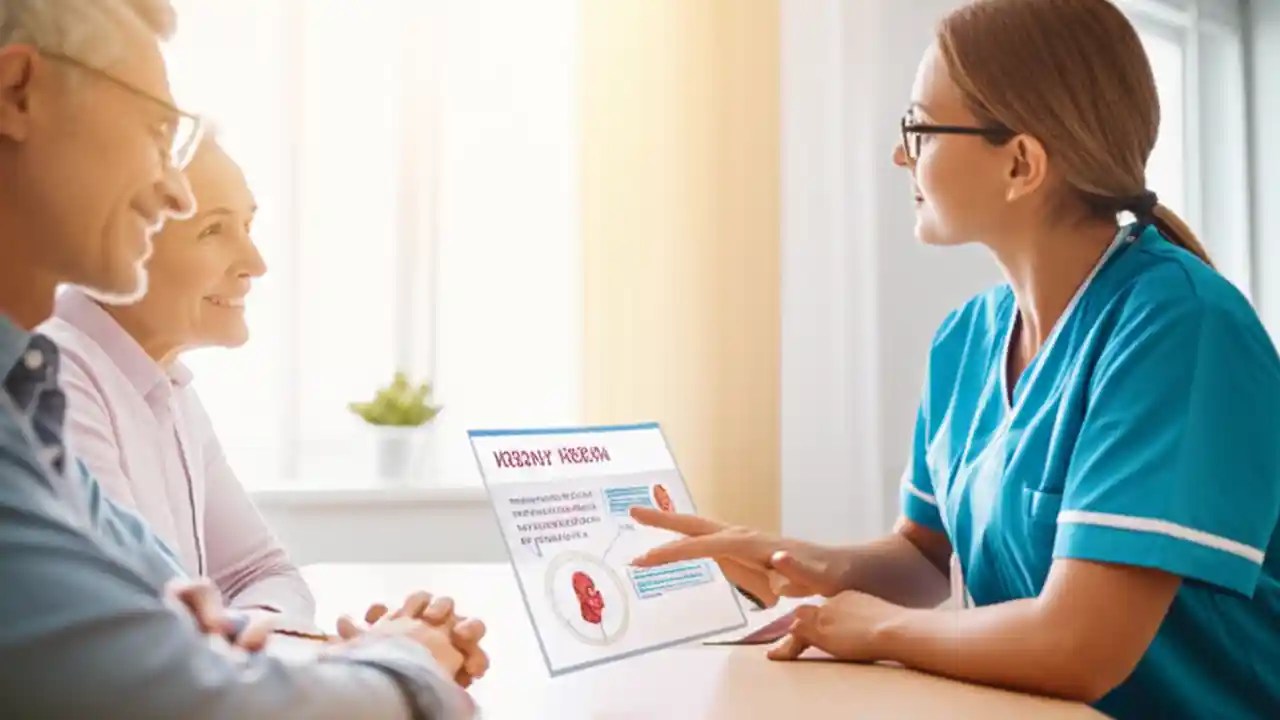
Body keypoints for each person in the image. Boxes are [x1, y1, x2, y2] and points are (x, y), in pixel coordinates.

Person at [629, 1, 1280, 718]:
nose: (901, 154)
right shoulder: (965, 339)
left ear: (1021, 163)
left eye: (919, 128)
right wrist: (803, 563)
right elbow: (924, 557)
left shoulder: (1182, 327)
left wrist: (879, 629)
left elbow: (1082, 646)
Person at [0, 1, 484, 717]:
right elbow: (185, 696)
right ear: (18, 94)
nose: (168, 189)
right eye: (154, 131)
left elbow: (184, 627)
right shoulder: (51, 387)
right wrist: (406, 661)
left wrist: (214, 648)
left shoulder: (29, 398)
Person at [39, 134, 314, 621]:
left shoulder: (167, 385)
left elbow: (264, 574)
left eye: (248, 226)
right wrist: (392, 658)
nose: (255, 264)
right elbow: (142, 621)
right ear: (119, 243)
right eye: (213, 230)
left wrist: (253, 636)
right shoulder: (53, 376)